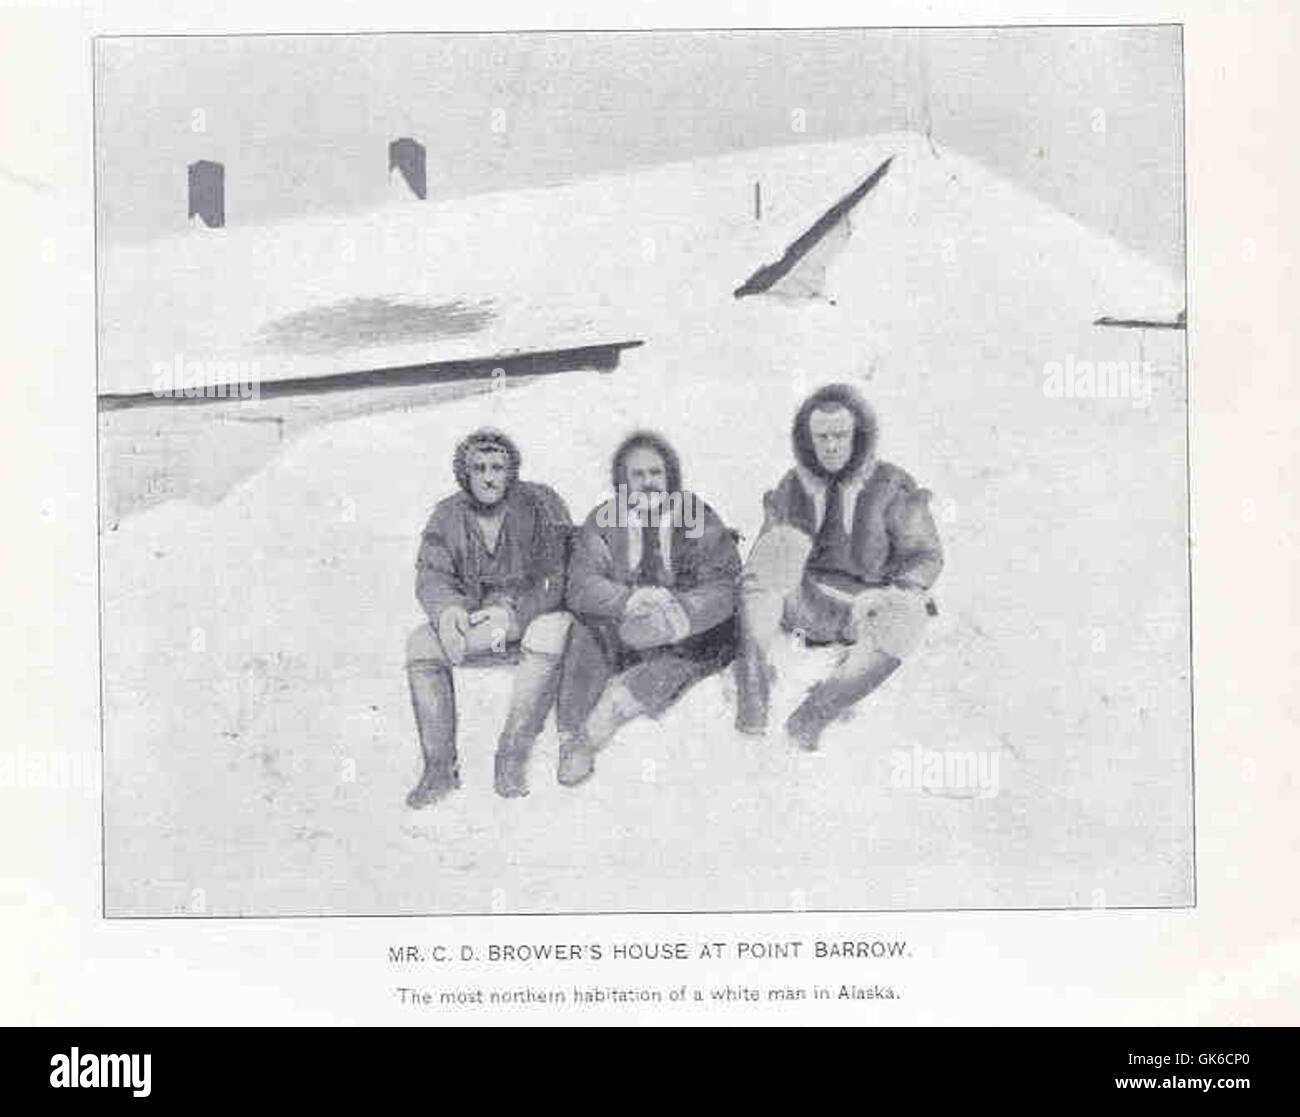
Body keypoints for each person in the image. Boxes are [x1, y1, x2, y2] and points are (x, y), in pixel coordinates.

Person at [734, 383, 943, 750]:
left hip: (867, 609)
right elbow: (766, 562)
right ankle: (753, 694)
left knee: (910, 613)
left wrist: (896, 592)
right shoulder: (792, 485)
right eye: (822, 437)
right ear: (807, 439)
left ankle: (813, 715)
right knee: (777, 544)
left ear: (857, 436)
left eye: (840, 436)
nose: (831, 446)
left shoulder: (892, 485)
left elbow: (926, 556)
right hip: (808, 603)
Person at [555, 431, 741, 786]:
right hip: (625, 630)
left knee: (671, 668)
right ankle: (570, 738)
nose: (648, 483)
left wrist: (678, 612)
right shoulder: (605, 519)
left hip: (683, 635)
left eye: (655, 474)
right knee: (584, 629)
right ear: (622, 482)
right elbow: (580, 583)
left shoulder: (695, 515)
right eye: (637, 476)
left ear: (670, 476)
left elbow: (723, 583)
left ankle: (599, 727)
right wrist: (628, 599)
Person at [404, 428, 572, 806]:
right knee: (420, 645)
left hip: (533, 620)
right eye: (478, 467)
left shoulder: (538, 506)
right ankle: (439, 769)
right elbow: (432, 573)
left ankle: (511, 757)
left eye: (497, 466)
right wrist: (448, 611)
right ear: (464, 473)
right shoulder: (447, 515)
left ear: (511, 470)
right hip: (478, 623)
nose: (488, 476)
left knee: (549, 633)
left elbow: (557, 575)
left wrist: (515, 612)